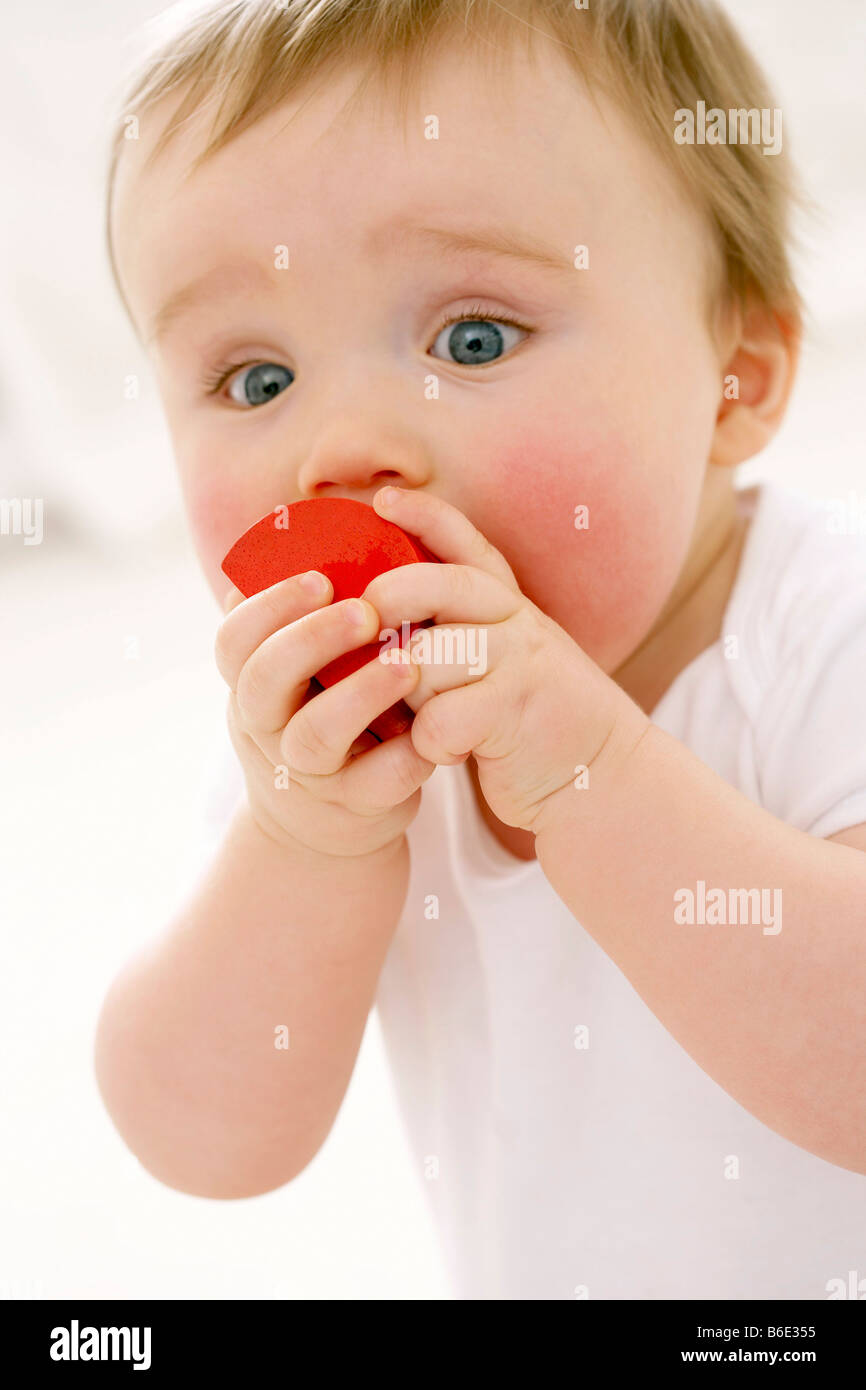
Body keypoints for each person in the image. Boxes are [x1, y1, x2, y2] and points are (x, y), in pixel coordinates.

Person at [94, 0, 866, 1299]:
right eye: (254, 380)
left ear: (734, 377)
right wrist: (299, 848)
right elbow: (203, 1141)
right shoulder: (328, 743)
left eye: (471, 337)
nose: (338, 449)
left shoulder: (818, 631)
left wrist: (590, 774)